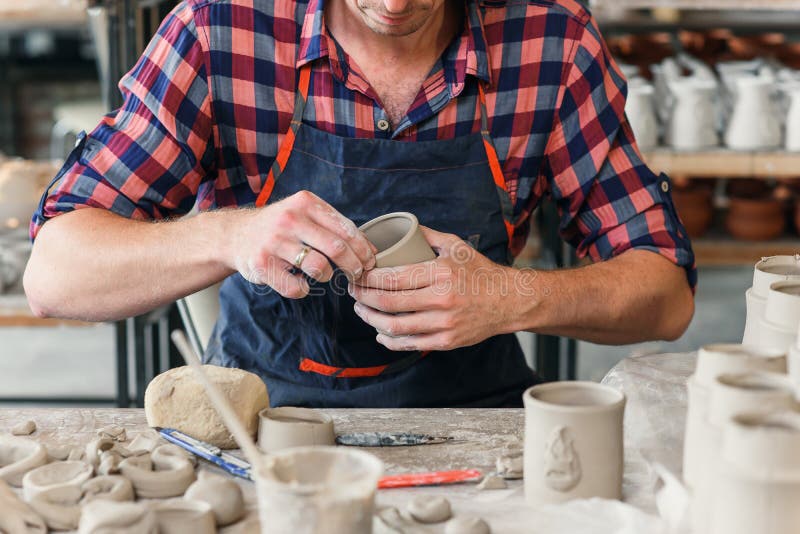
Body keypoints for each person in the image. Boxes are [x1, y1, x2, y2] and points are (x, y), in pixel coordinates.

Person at [25, 0, 696, 408]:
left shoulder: (552, 42)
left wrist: (514, 298)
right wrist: (228, 237)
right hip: (264, 411)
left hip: (471, 411)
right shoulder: (218, 30)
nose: (396, 6)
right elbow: (54, 274)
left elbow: (666, 294)